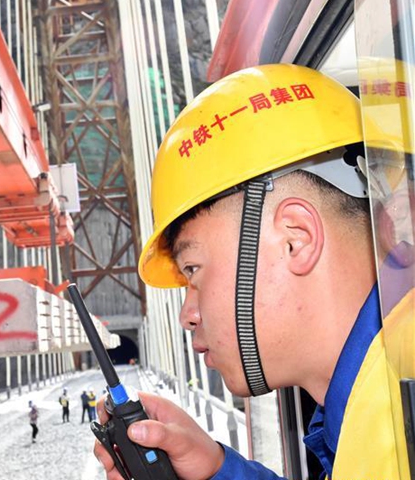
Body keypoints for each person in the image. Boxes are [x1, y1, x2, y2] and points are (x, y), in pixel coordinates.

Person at [93, 64, 410, 479]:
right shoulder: (371, 412)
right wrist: (214, 471)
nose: (186, 315)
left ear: (295, 239)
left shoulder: (401, 421)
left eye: (193, 269)